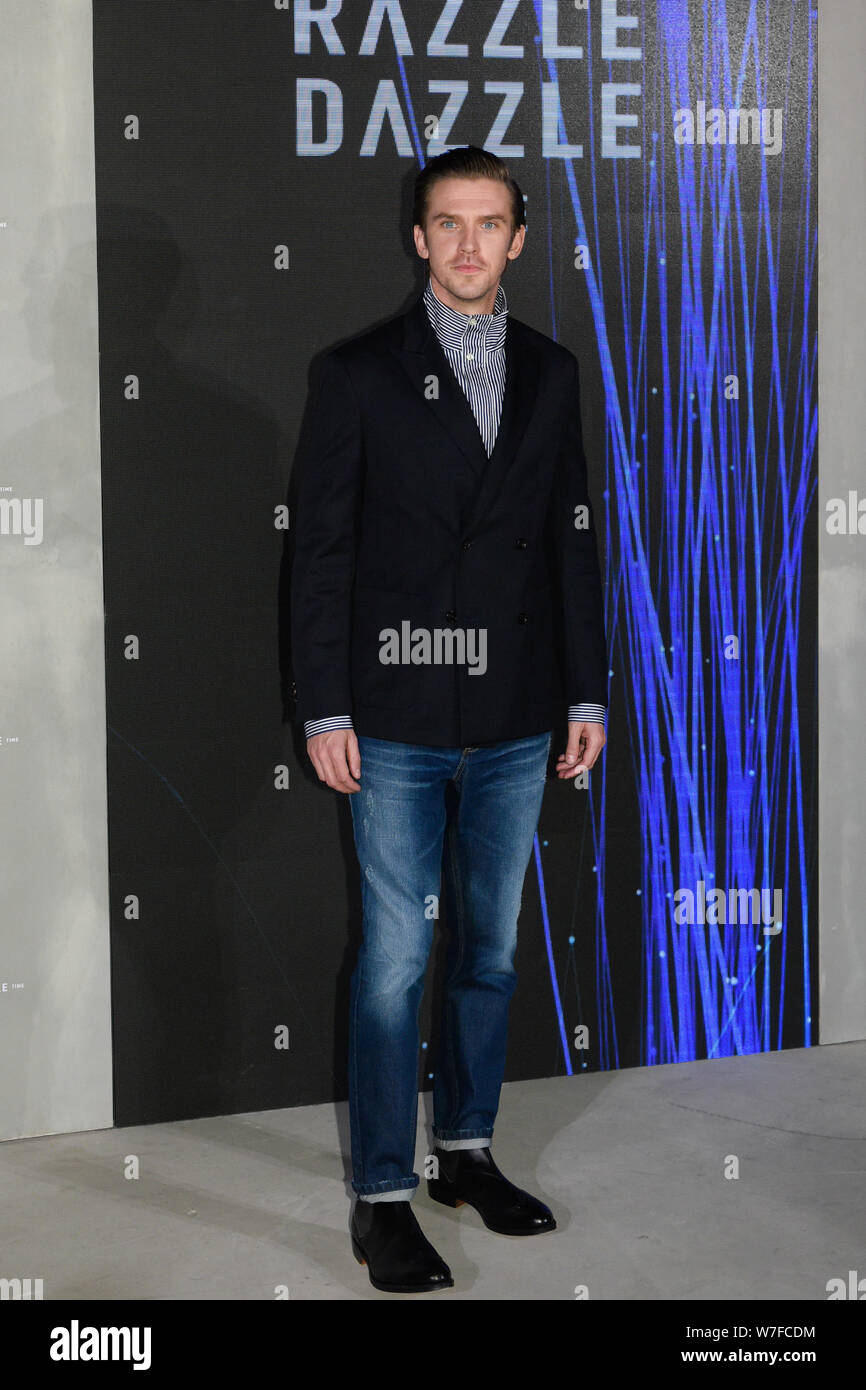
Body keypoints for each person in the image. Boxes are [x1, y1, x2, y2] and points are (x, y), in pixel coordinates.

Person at [290, 145, 608, 1293]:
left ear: (517, 239)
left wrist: (584, 688)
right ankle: (381, 1195)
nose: (468, 243)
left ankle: (463, 1151)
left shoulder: (553, 370)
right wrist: (326, 702)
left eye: (489, 224)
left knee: (489, 950)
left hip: (521, 712)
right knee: (392, 962)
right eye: (446, 223)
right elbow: (318, 553)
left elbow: (571, 538)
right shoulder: (358, 372)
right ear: (417, 240)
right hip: (395, 719)